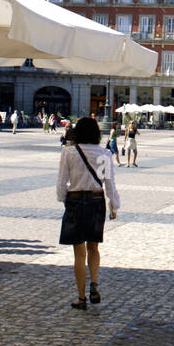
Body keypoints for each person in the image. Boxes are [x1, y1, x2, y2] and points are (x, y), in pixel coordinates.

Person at [57, 116, 119, 310]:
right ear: (96, 133)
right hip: (96, 200)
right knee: (94, 246)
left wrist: (63, 199)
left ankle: (82, 297)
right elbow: (109, 183)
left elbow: (61, 182)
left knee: (78, 251)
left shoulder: (68, 152)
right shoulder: (105, 154)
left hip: (75, 200)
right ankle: (94, 283)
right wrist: (114, 205)